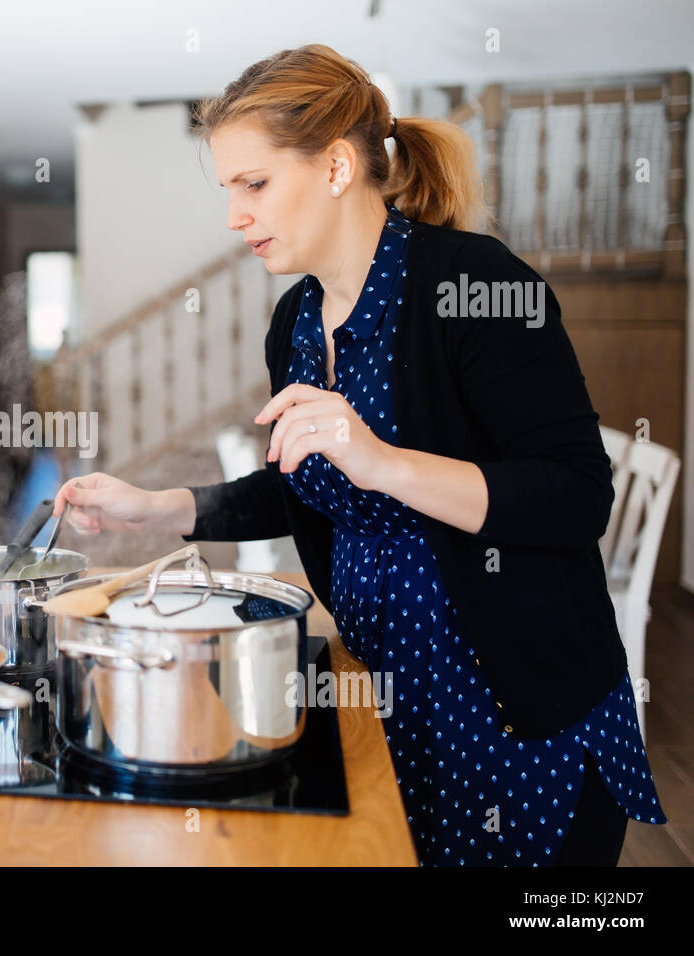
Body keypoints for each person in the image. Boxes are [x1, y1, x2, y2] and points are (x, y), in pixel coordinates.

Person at [53, 44, 666, 867]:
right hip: (386, 695)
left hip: (515, 714)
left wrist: (381, 460)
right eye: (228, 189)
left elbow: (577, 496)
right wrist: (163, 508)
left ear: (338, 166)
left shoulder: (473, 284)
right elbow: (303, 488)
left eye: (254, 184)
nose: (234, 214)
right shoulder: (295, 323)